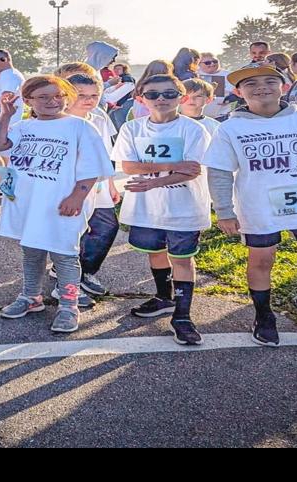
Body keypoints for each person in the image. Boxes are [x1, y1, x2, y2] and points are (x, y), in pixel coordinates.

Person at [204, 63, 297, 346]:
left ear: (284, 86)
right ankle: (263, 314)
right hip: (258, 208)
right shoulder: (231, 129)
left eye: (270, 80)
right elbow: (219, 171)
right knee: (262, 260)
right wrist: (224, 210)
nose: (262, 87)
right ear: (239, 92)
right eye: (251, 83)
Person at [0, 75, 109, 334]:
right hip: (29, 204)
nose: (52, 101)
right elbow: (1, 146)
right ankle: (31, 297)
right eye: (43, 97)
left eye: (58, 96)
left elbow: (92, 168)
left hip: (63, 205)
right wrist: (6, 114)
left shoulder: (79, 127)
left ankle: (69, 304)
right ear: (28, 101)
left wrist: (77, 197)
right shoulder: (24, 127)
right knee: (31, 251)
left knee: (65, 255)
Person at [112, 74, 213, 346]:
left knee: (181, 260)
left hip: (184, 207)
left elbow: (192, 169)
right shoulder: (132, 129)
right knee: (155, 253)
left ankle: (182, 317)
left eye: (169, 94)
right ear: (140, 99)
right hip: (146, 208)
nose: (161, 99)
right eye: (153, 94)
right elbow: (128, 166)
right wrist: (171, 168)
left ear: (182, 98)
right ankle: (164, 297)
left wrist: (155, 180)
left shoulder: (193, 130)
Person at [60, 71, 119, 305]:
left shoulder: (100, 117)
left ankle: (85, 272)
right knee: (70, 233)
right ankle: (66, 283)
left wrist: (111, 183)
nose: (88, 100)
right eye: (81, 94)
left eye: (94, 95)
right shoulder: (57, 119)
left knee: (106, 226)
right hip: (69, 187)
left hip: (99, 184)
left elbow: (106, 152)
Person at [0, 50, 25, 124]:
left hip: (4, 125)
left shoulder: (11, 75)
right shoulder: (3, 74)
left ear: (4, 59)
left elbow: (6, 99)